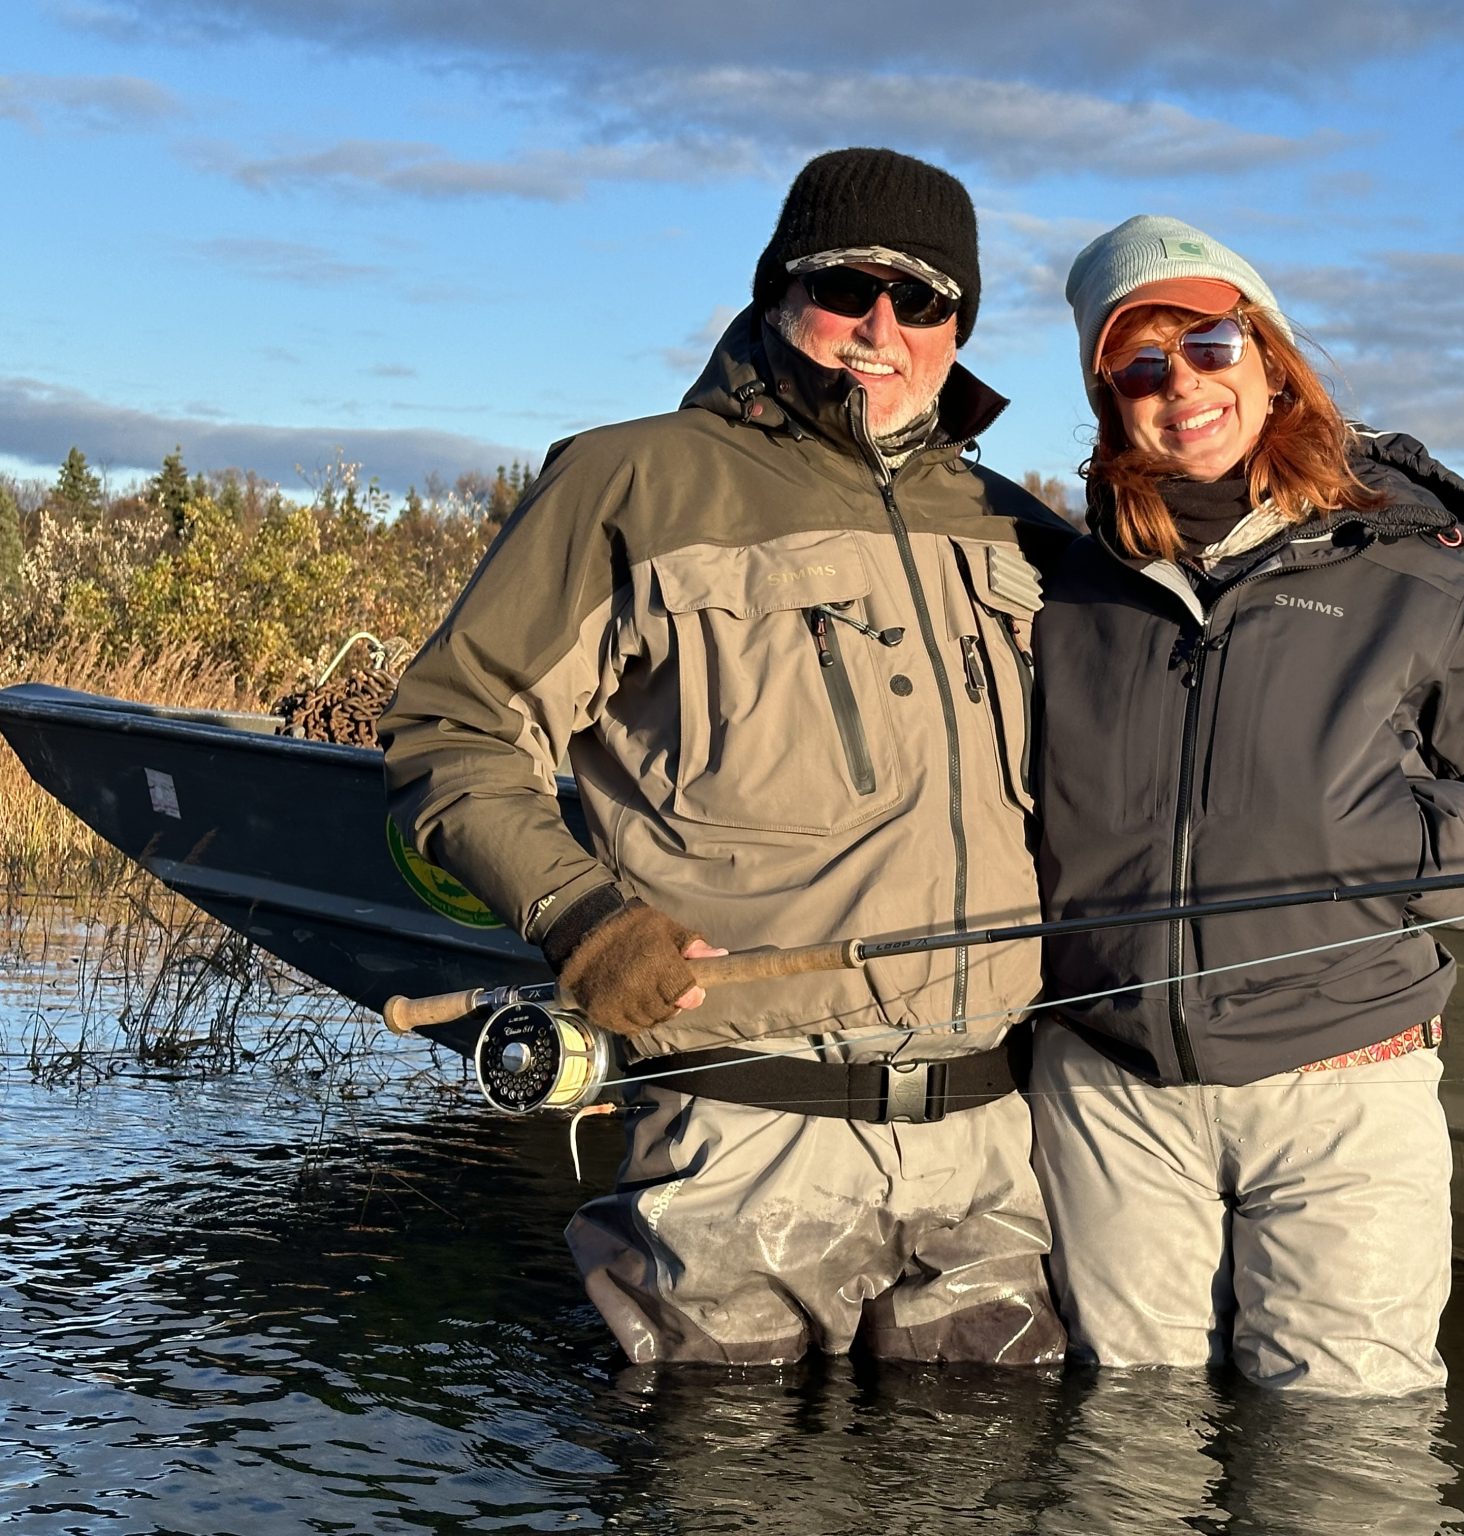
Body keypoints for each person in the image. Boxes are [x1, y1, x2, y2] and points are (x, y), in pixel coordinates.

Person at [381, 147, 1074, 1368]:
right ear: (774, 291)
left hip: (991, 1151)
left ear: (957, 329)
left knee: (985, 1458)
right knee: (722, 1460)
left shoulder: (1016, 527)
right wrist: (582, 918)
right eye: (846, 286)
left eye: (921, 300)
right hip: (735, 1147)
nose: (880, 329)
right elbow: (455, 730)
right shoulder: (631, 480)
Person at [1027, 215, 1464, 1395]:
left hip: (1343, 1085)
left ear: (1269, 358)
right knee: (1125, 1441)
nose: (1179, 385)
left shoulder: (1427, 589)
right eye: (1137, 365)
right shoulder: (1055, 593)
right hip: (1105, 1094)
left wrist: (1382, 842)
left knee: (1345, 1445)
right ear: (1106, 403)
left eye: (1208, 345)